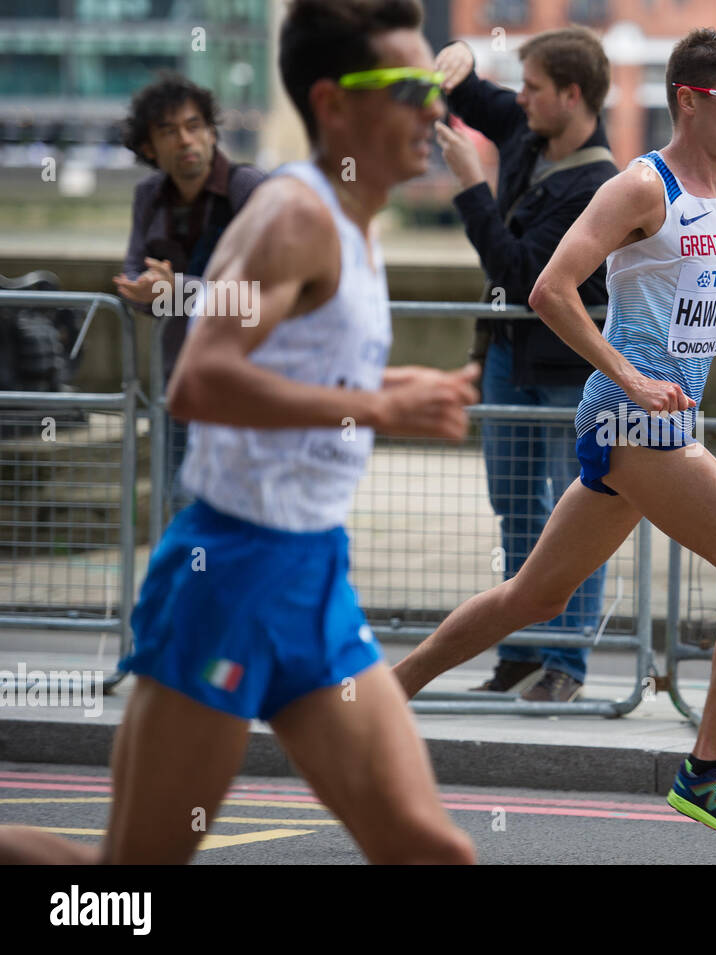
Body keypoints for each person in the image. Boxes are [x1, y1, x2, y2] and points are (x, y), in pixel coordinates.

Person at [0, 0, 479, 865]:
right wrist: (376, 408)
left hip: (311, 575)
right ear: (334, 103)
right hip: (227, 574)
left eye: (433, 84)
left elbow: (297, 363)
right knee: (129, 887)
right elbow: (201, 379)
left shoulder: (356, 224)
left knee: (427, 851)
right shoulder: (294, 216)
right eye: (409, 87)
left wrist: (384, 385)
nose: (434, 108)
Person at [394, 28, 716, 841]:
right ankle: (709, 770)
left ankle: (382, 694)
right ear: (689, 100)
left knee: (535, 595)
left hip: (672, 418)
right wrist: (625, 373)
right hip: (632, 422)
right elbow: (549, 290)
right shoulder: (637, 188)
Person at [431, 28, 617, 701]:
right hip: (508, 356)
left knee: (578, 519)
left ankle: (565, 662)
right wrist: (458, 59)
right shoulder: (527, 130)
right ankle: (518, 649)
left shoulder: (600, 186)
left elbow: (517, 270)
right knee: (514, 506)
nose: (520, 98)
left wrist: (470, 188)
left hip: (569, 368)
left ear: (571, 97)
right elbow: (467, 91)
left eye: (533, 87)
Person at [112, 73, 266, 512]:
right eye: (168, 131)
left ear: (212, 132)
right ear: (148, 148)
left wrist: (173, 289)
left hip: (245, 384)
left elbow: (264, 294)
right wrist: (145, 292)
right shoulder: (149, 196)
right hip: (179, 383)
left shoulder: (249, 190)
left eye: (194, 126)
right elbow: (131, 281)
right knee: (173, 505)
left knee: (212, 505)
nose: (185, 140)